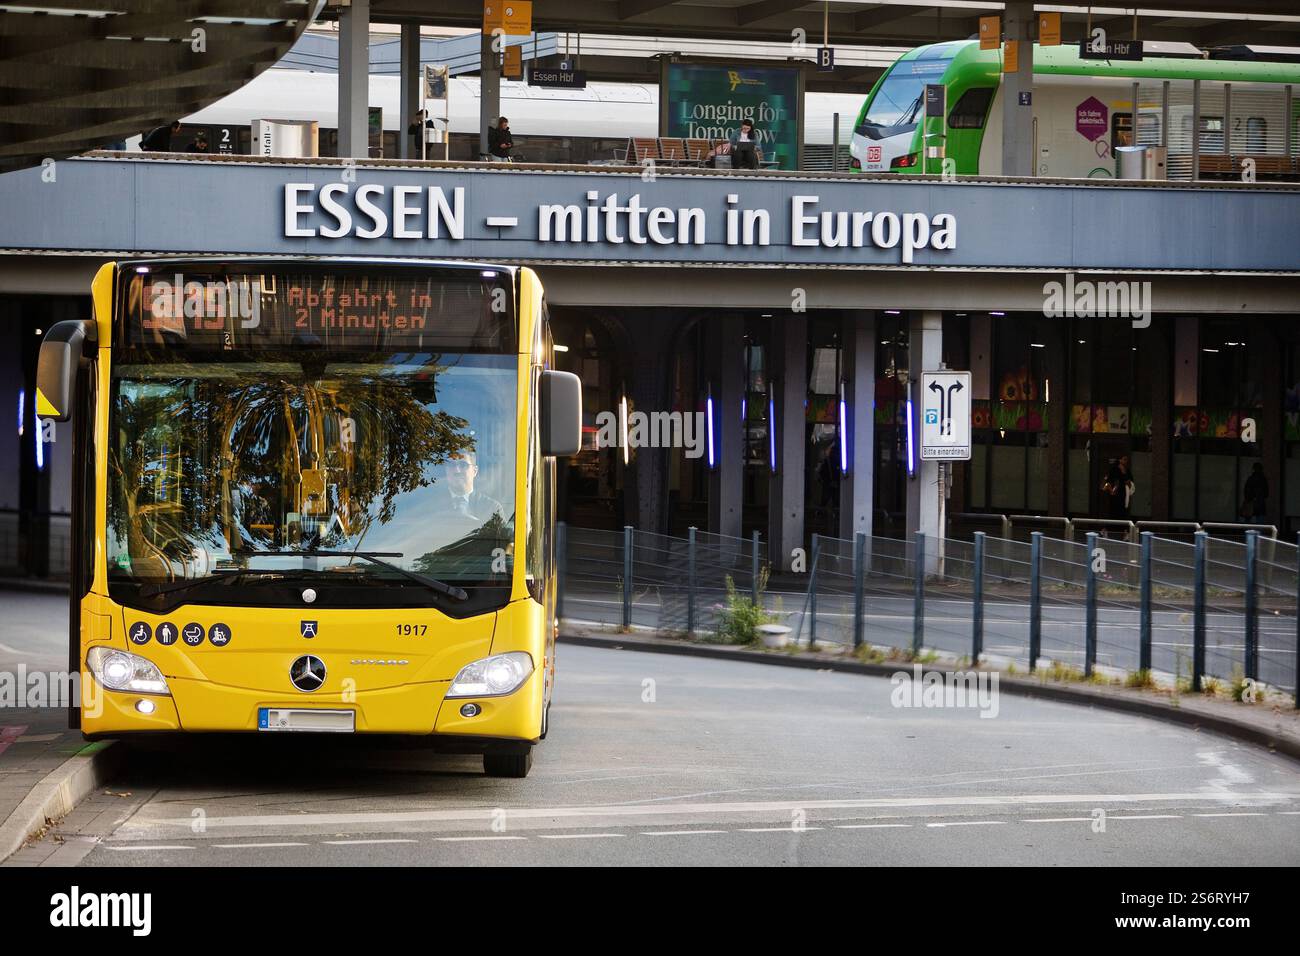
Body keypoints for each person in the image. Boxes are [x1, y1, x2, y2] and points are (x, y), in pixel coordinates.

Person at [438, 449, 503, 522]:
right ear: (446, 470)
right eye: (451, 465)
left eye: (463, 465)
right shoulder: (431, 505)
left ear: (474, 471)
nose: (457, 470)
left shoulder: (492, 508)